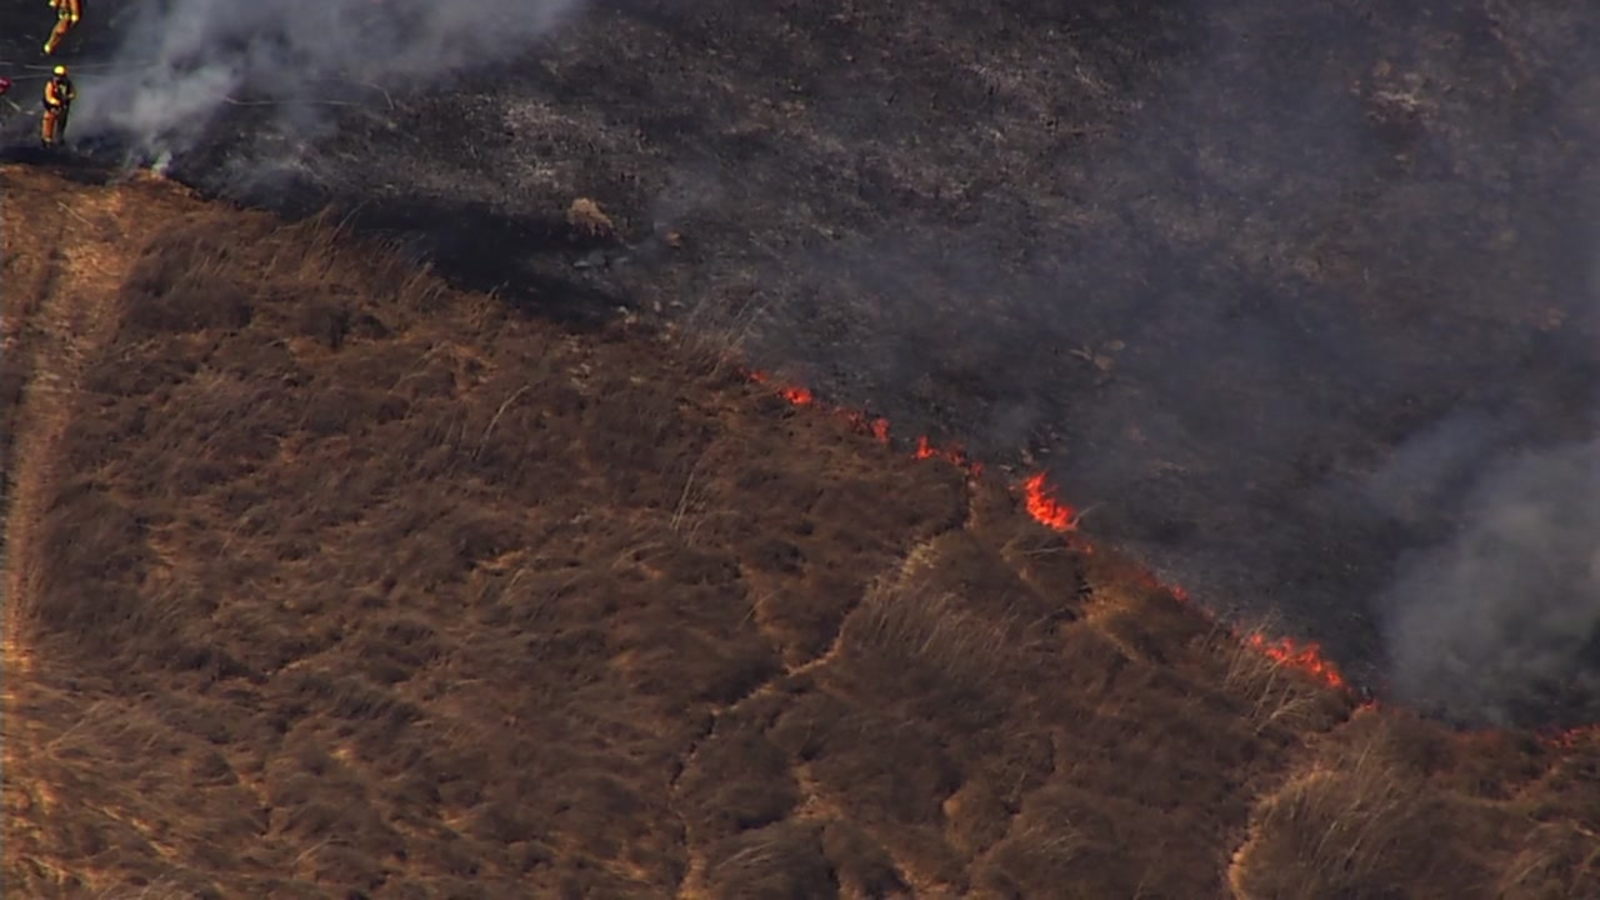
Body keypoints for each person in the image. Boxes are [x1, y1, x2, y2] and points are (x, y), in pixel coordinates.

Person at [41, 65, 75, 148]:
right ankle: (47, 139)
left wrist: (67, 97)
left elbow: (73, 93)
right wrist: (57, 102)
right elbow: (49, 97)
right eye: (58, 76)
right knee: (49, 122)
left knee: (61, 123)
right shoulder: (51, 84)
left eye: (61, 76)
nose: (59, 78)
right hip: (51, 108)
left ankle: (59, 139)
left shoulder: (68, 83)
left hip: (63, 108)